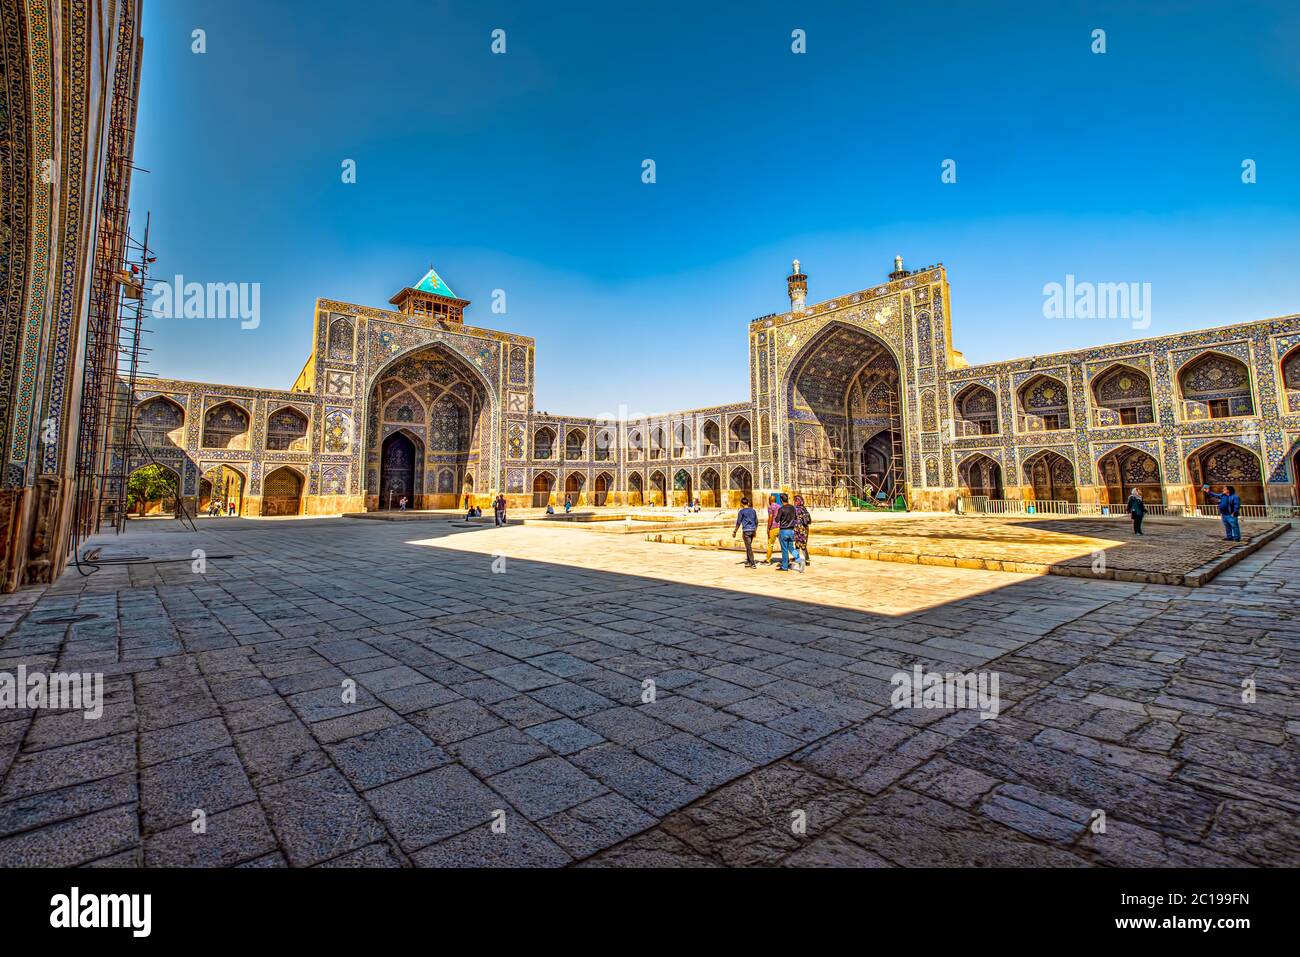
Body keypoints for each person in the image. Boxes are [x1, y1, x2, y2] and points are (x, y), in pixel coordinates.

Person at [774, 496, 803, 572]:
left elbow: (777, 520)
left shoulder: (781, 509)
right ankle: (799, 560)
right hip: (791, 531)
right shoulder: (793, 508)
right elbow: (796, 518)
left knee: (784, 549)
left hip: (784, 531)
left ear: (781, 500)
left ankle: (784, 566)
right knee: (791, 547)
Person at [732, 496, 759, 567]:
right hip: (752, 530)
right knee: (748, 546)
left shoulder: (741, 512)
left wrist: (735, 531)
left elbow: (738, 522)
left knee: (749, 547)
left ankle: (752, 563)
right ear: (748, 503)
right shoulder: (753, 511)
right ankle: (749, 561)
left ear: (741, 504)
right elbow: (756, 521)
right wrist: (755, 530)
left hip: (746, 531)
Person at [793, 494, 813, 567]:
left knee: (798, 545)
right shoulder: (804, 508)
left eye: (795, 501)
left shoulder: (796, 509)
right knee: (803, 544)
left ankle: (798, 558)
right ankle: (806, 560)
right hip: (805, 528)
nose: (794, 502)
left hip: (798, 528)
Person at [763, 493, 782, 564]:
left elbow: (770, 517)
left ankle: (768, 560)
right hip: (780, 527)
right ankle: (792, 558)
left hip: (773, 528)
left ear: (770, 501)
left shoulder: (770, 507)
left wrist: (768, 528)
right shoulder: (780, 506)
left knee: (770, 544)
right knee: (784, 545)